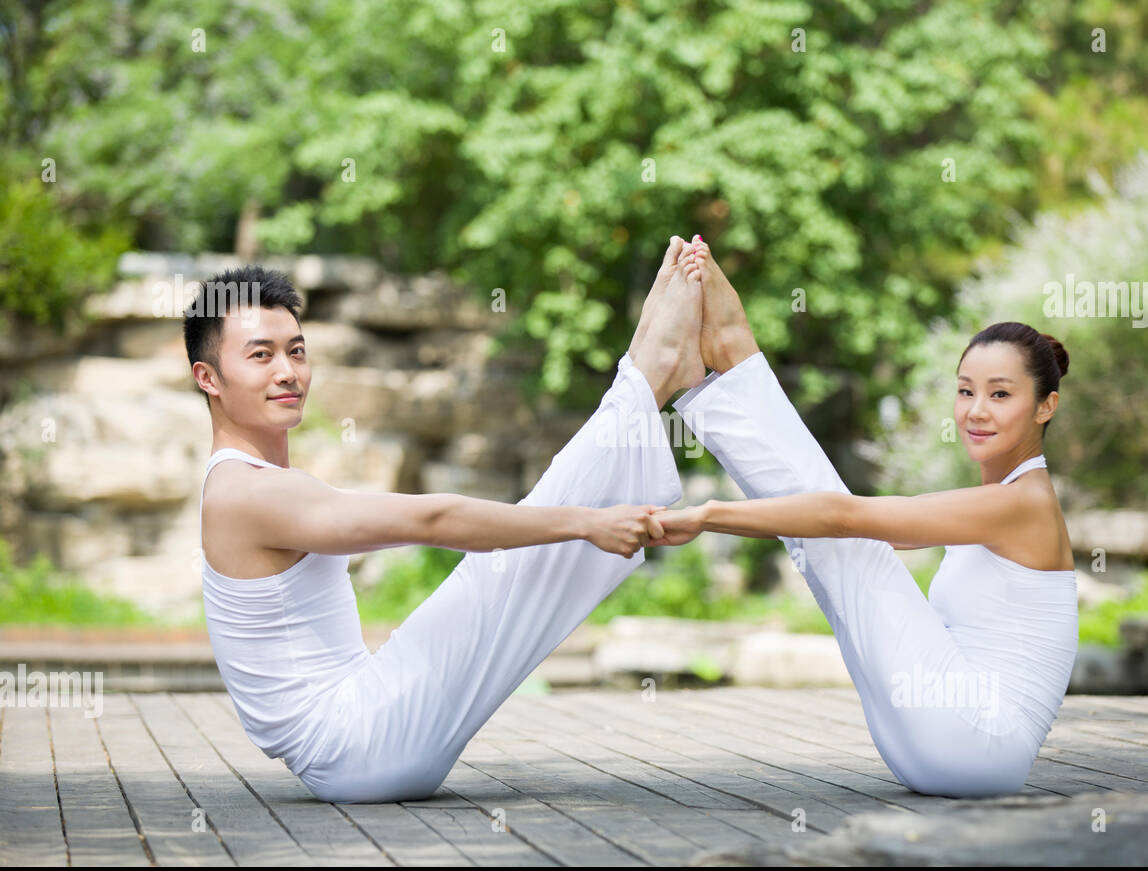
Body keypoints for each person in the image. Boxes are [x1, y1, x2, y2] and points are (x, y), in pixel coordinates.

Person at [187, 238, 705, 803]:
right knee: (502, 570)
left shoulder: (248, 483)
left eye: (297, 351)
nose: (288, 372)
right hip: (356, 741)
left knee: (514, 566)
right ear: (208, 378)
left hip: (357, 742)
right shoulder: (247, 492)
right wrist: (586, 524)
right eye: (260, 355)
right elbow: (434, 517)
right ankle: (648, 373)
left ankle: (645, 375)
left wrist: (580, 524)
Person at [651, 238, 1079, 798]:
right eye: (966, 391)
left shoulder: (1024, 502)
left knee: (843, 537)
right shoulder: (1002, 499)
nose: (976, 410)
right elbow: (847, 525)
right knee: (831, 545)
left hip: (976, 741)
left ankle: (732, 357)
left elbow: (846, 517)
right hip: (941, 747)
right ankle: (727, 365)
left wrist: (709, 515)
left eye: (1001, 395)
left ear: (1045, 405)